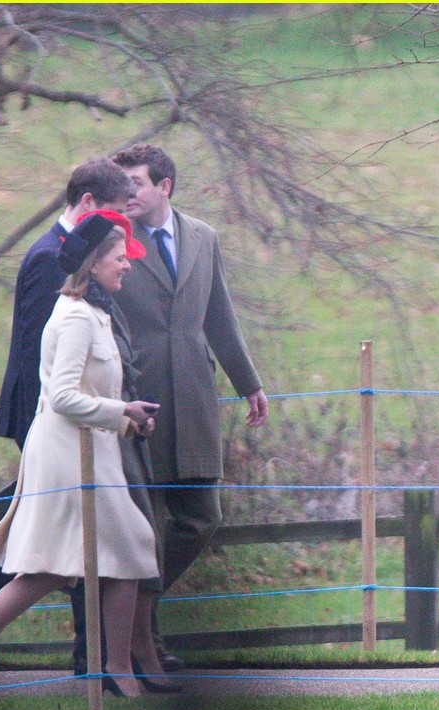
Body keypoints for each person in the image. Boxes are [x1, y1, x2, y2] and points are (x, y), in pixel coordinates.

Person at [0, 212, 165, 697]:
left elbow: (87, 392)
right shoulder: (78, 316)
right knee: (87, 557)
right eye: (120, 257)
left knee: (106, 553)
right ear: (94, 262)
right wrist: (120, 408)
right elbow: (62, 396)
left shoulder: (97, 312)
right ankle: (114, 669)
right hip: (68, 454)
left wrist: (128, 419)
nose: (127, 265)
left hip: (91, 450)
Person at [111, 144, 269, 670]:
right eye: (122, 182)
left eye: (135, 181)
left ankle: (142, 615)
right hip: (137, 401)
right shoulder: (113, 241)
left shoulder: (203, 237)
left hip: (196, 400)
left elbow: (219, 315)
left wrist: (248, 383)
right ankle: (138, 642)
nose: (128, 191)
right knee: (143, 527)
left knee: (201, 518)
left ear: (165, 186)